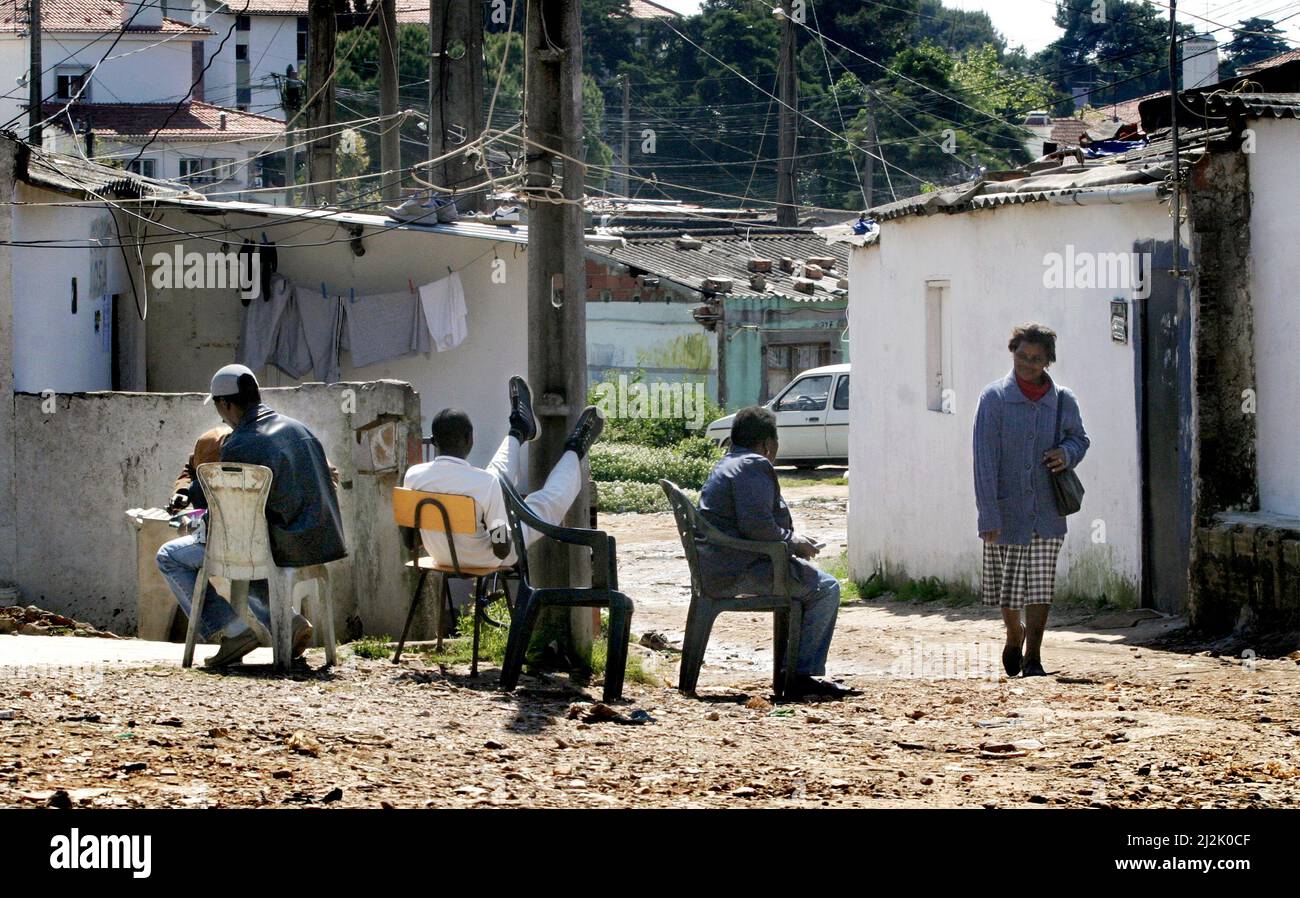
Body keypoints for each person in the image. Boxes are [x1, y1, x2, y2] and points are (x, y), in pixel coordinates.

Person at [155, 364, 347, 667]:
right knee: (251, 553)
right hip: (319, 541)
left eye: (219, 408)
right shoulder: (300, 430)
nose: (220, 415)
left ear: (226, 404)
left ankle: (230, 631)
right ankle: (288, 623)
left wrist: (192, 494)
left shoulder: (241, 442)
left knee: (171, 556)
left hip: (280, 547)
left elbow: (224, 508)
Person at [696, 405, 854, 699]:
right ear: (769, 443)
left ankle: (791, 669)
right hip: (743, 571)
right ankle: (800, 675)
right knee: (827, 588)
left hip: (720, 567)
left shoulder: (728, 462)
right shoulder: (754, 464)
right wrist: (794, 543)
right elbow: (757, 526)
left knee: (813, 583)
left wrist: (791, 540)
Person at [974, 323, 1090, 678]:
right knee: (1009, 587)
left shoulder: (1063, 400)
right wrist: (988, 513)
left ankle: (1034, 656)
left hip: (1048, 509)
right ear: (1013, 353)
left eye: (1036, 359)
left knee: (1040, 583)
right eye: (1021, 356)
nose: (1027, 364)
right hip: (1006, 511)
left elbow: (1079, 439)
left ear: (1047, 362)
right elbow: (984, 459)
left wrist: (1066, 454)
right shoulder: (994, 399)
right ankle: (1014, 635)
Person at [402, 376, 604, 570]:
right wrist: (503, 518)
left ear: (434, 441)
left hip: (440, 556)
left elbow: (409, 541)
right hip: (485, 558)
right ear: (470, 439)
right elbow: (501, 548)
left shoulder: (413, 476)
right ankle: (574, 449)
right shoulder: (484, 484)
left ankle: (520, 429)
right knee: (543, 505)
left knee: (495, 481)